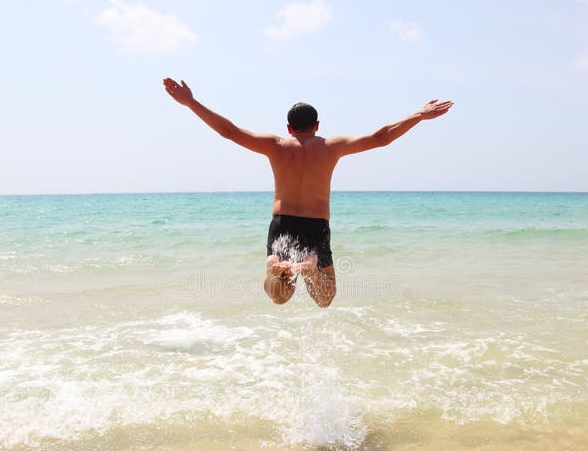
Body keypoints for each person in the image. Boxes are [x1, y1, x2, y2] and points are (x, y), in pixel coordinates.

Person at [163, 78, 453, 307]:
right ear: (317, 126)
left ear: (289, 128)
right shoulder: (331, 146)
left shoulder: (275, 145)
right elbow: (381, 138)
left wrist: (191, 103)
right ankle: (311, 270)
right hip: (316, 226)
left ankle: (273, 269)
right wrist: (418, 115)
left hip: (282, 226)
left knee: (279, 296)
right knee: (325, 298)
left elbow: (228, 131)